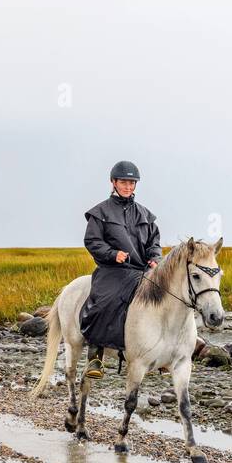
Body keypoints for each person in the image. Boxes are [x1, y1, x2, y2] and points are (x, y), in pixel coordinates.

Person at [78, 161, 162, 379]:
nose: (128, 186)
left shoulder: (145, 214)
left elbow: (154, 242)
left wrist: (154, 258)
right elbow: (92, 241)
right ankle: (95, 356)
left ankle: (159, 352)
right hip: (112, 270)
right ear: (113, 182)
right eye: (123, 182)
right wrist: (112, 254)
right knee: (103, 301)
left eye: (132, 183)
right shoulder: (100, 212)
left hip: (142, 269)